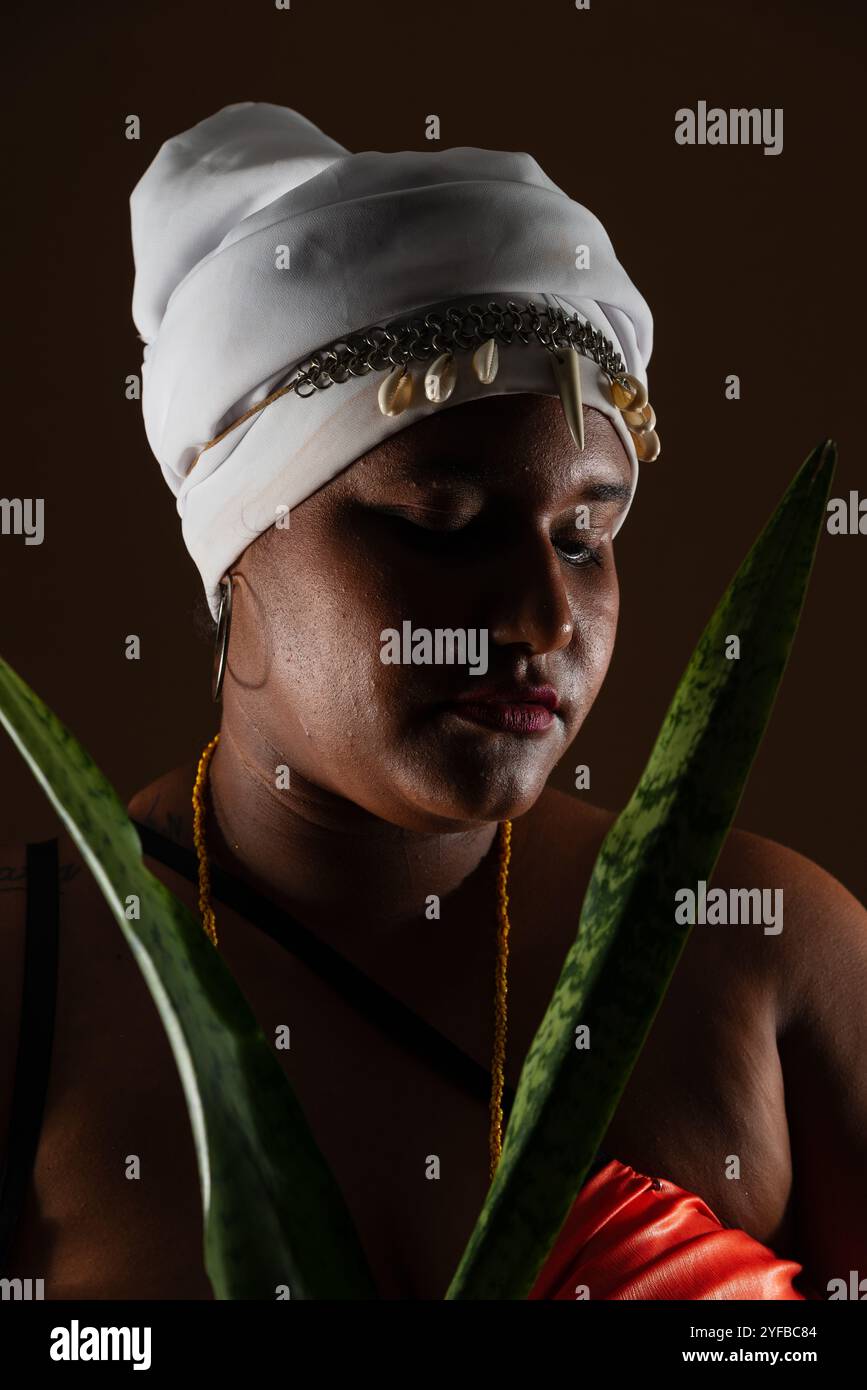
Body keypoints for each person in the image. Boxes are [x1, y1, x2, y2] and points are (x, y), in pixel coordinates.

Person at [1, 103, 865, 1302]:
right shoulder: (28, 980)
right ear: (238, 547)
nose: (544, 622)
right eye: (438, 525)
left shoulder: (771, 953)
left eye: (584, 535)